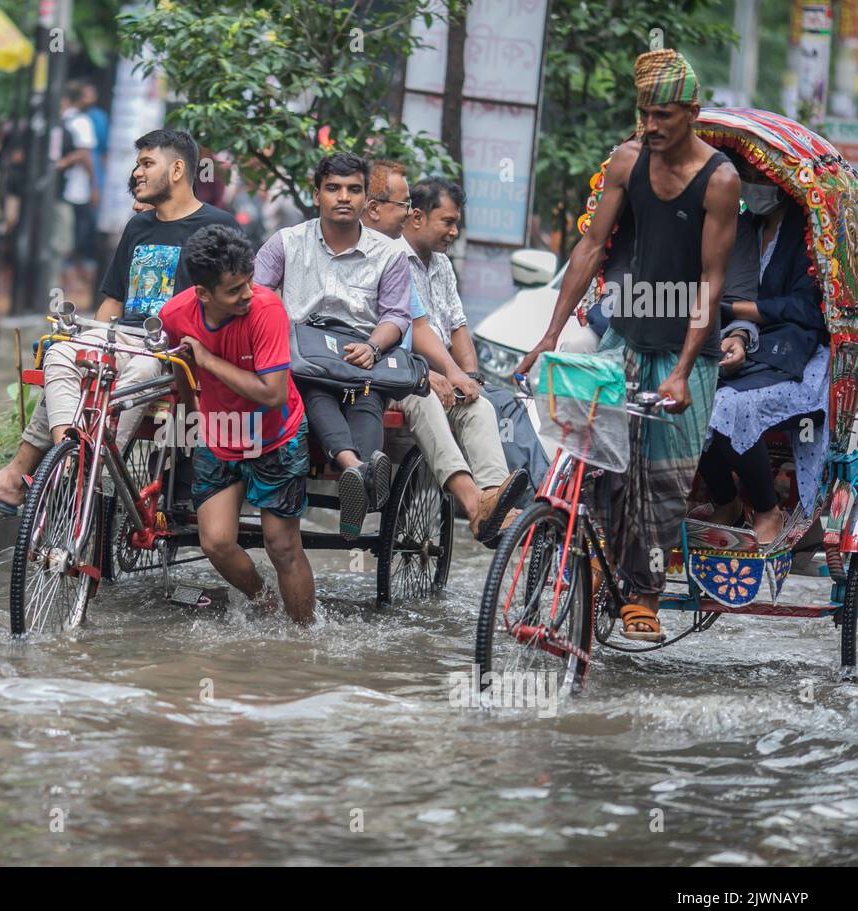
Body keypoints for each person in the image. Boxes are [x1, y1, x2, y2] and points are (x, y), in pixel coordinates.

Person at [515, 49, 740, 640]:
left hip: (688, 351)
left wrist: (682, 370)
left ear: (692, 112)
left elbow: (710, 283)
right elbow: (590, 249)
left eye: (664, 115)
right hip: (628, 331)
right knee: (601, 459)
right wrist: (549, 336)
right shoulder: (627, 160)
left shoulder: (720, 179)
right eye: (645, 114)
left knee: (664, 479)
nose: (652, 126)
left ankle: (643, 593)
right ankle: (597, 566)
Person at [0, 129, 241, 512]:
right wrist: (96, 344)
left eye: (147, 163)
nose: (137, 172)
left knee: (141, 368)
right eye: (137, 164)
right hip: (124, 338)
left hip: (176, 352)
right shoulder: (139, 226)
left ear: (178, 170)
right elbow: (114, 299)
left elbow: (232, 303)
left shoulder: (218, 227)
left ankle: (88, 469)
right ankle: (68, 456)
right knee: (62, 353)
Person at [363, 167, 529, 545]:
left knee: (482, 407)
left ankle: (492, 497)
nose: (454, 232)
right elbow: (409, 333)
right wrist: (433, 374)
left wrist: (467, 378)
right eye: (449, 222)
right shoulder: (389, 257)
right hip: (395, 373)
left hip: (436, 374)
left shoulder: (442, 266)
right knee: (423, 399)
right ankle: (474, 505)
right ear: (416, 216)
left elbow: (456, 327)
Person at [159, 224, 316, 624]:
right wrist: (191, 411)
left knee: (281, 545)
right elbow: (180, 366)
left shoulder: (266, 309)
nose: (248, 293)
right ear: (203, 293)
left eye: (249, 282)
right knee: (215, 542)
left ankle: (303, 637)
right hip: (220, 434)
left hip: (275, 435)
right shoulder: (174, 315)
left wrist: (208, 362)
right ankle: (263, 600)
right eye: (234, 290)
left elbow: (272, 393)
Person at [252, 152, 410, 539]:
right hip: (302, 355)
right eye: (333, 189)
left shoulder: (389, 253)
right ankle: (357, 469)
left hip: (361, 356)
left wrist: (372, 347)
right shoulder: (287, 243)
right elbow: (254, 295)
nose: (343, 197)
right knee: (315, 385)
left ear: (366, 200)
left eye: (354, 190)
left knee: (367, 395)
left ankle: (358, 472)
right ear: (317, 193)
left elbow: (397, 317)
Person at [696, 154, 829, 545]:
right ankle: (726, 500)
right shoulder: (742, 227)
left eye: (760, 176)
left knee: (729, 407)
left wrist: (733, 308)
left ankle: (769, 509)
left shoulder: (808, 235)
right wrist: (734, 329)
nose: (752, 183)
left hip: (798, 356)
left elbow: (807, 310)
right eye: (746, 176)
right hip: (745, 344)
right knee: (687, 398)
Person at [59, 82, 99, 290]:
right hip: (77, 190)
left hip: (65, 190)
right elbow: (86, 155)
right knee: (78, 236)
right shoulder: (81, 121)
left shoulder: (64, 120)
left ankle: (70, 281)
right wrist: (94, 186)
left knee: (71, 235)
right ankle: (74, 282)